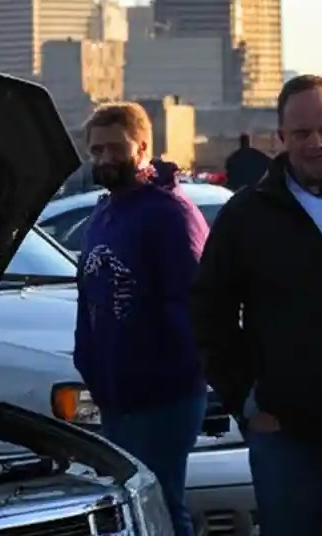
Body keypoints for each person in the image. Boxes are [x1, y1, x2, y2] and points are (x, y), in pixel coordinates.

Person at [190, 75, 322, 536]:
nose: (316, 144)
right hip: (286, 435)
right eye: (301, 134)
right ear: (281, 139)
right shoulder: (247, 215)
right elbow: (209, 311)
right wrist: (247, 399)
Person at [73, 102, 209, 536]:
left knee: (162, 506)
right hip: (115, 397)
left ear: (143, 146)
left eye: (115, 148)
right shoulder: (103, 213)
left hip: (163, 397)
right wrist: (89, 364)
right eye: (96, 151)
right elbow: (88, 298)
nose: (105, 158)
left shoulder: (171, 214)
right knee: (129, 512)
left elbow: (194, 303)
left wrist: (171, 374)